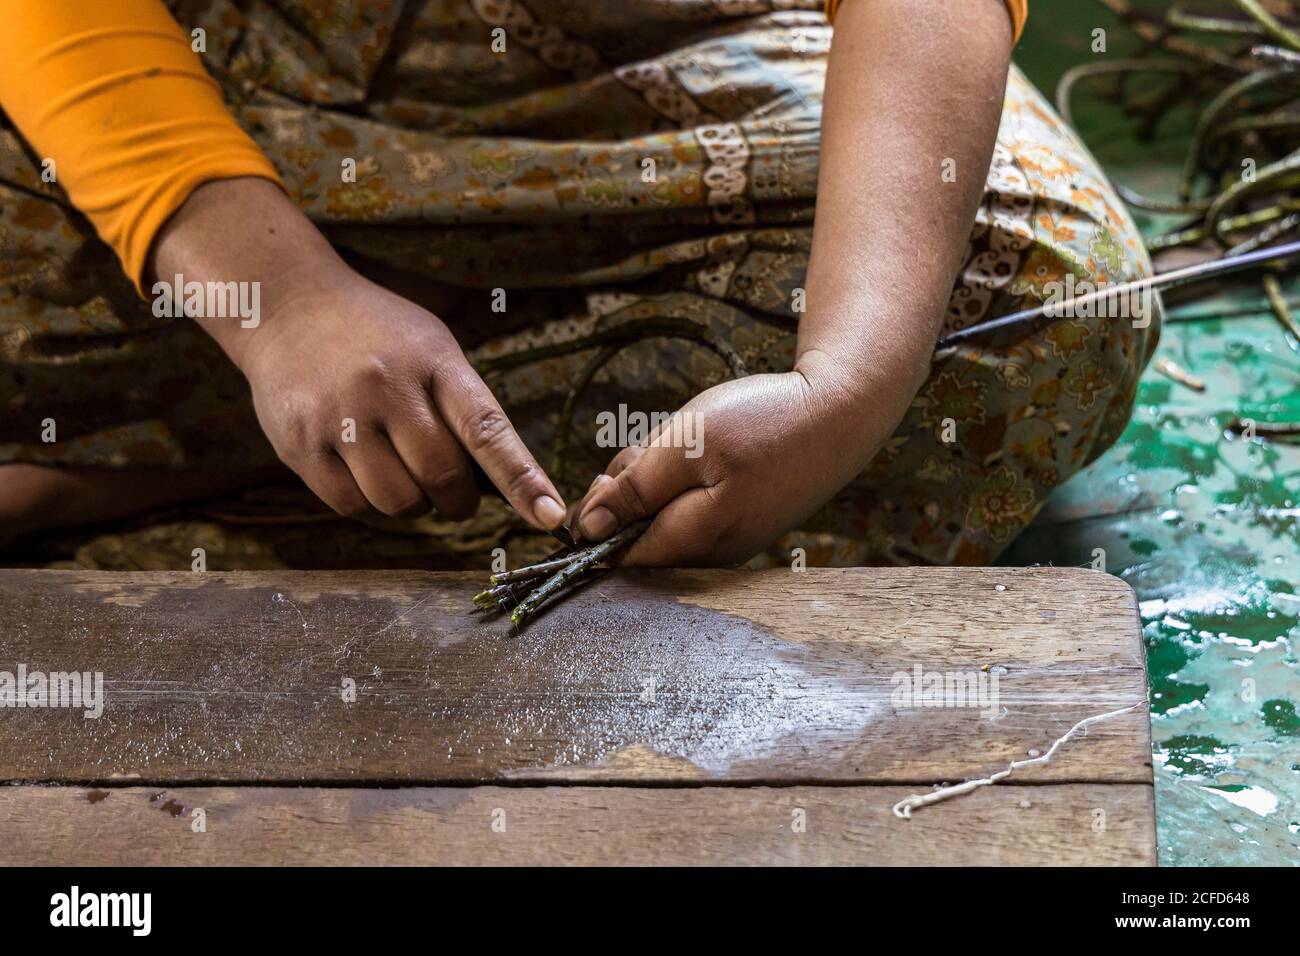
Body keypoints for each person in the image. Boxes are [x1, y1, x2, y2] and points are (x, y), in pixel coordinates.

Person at [0, 0, 1157, 567]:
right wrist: (280, 297)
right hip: (172, 73)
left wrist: (842, 382)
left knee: (1048, 293)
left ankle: (181, 452)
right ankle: (330, 413)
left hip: (642, 73)